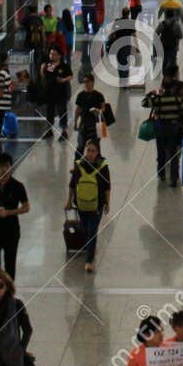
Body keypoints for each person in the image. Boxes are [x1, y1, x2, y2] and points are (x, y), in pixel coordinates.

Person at [0, 152, 30, 279]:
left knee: (10, 262)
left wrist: (9, 212)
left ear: (11, 167)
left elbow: (26, 207)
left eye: (7, 166)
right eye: (1, 166)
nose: (4, 169)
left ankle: (9, 290)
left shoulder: (18, 186)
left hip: (11, 229)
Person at [67, 139, 112, 272]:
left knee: (92, 232)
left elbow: (107, 186)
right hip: (81, 204)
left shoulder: (103, 166)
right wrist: (69, 201)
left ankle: (89, 261)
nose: (90, 153)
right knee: (85, 228)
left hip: (96, 205)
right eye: (88, 150)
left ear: (97, 153)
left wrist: (108, 203)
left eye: (93, 151)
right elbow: (72, 185)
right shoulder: (79, 165)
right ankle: (90, 247)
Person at [151, 67, 183, 186]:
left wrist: (153, 94)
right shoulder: (177, 98)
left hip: (161, 127)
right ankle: (173, 178)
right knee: (174, 155)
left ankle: (161, 174)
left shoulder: (158, 98)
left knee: (161, 153)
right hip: (173, 128)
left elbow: (146, 103)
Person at [42, 45, 73, 138]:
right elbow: (44, 77)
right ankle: (49, 131)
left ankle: (64, 131)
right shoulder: (48, 65)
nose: (52, 56)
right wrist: (42, 70)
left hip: (61, 94)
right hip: (50, 93)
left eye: (54, 54)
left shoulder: (64, 66)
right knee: (49, 112)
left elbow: (71, 76)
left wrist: (63, 80)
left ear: (59, 56)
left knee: (62, 112)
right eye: (51, 54)